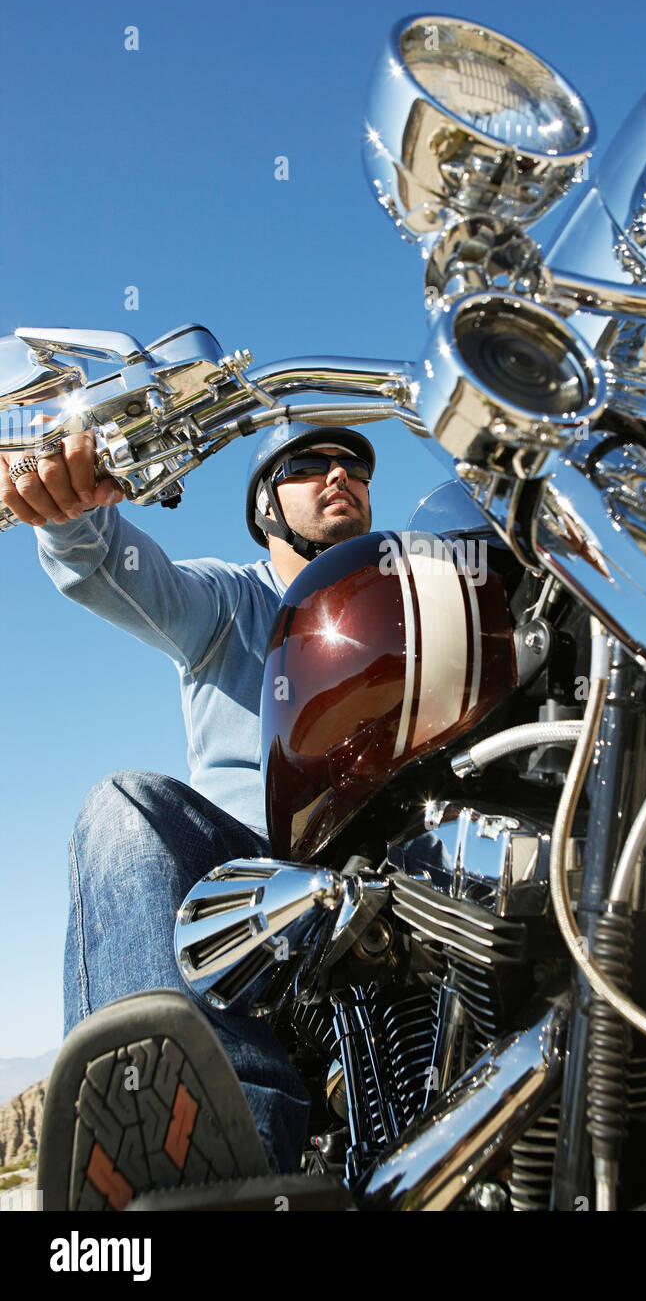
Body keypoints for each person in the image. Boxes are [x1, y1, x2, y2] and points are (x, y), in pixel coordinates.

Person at [0, 421, 375, 1206]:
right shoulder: (230, 602)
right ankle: (210, 1159)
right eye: (308, 465)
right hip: (254, 890)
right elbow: (120, 569)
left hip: (393, 881)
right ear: (266, 506)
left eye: (354, 465)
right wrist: (74, 513)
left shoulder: (408, 601)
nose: (339, 475)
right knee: (124, 806)